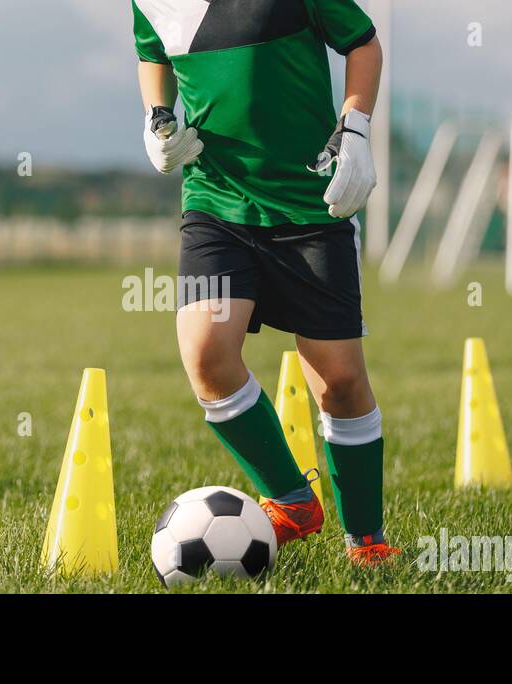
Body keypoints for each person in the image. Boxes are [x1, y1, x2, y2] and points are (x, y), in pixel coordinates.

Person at [132, 0, 393, 565]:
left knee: (340, 382)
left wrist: (356, 130)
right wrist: (157, 115)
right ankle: (293, 502)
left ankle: (367, 542)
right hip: (216, 200)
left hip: (311, 203)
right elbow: (151, 52)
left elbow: (363, 43)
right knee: (206, 353)